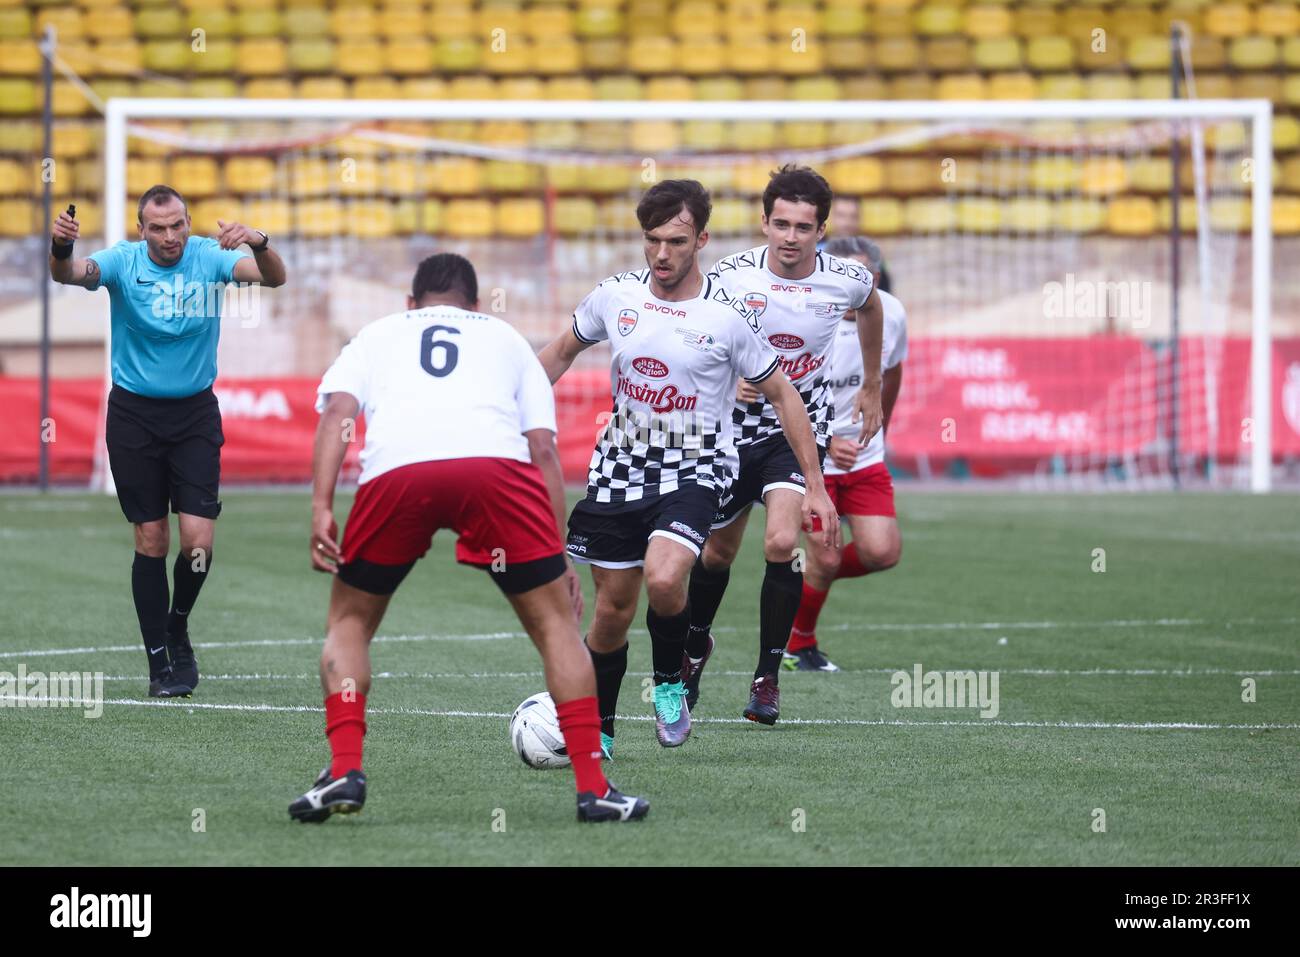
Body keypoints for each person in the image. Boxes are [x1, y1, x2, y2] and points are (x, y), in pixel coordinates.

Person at [295, 252, 647, 824]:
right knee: (556, 624)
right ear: (476, 306)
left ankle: (344, 770)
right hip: (493, 471)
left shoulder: (377, 333)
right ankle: (593, 788)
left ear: (411, 305)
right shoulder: (504, 337)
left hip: (398, 471)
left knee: (351, 621)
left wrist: (319, 506)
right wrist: (558, 554)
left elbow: (338, 411)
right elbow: (542, 448)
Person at [536, 179, 837, 755]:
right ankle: (600, 729)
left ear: (702, 239)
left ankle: (670, 683)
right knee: (611, 613)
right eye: (652, 241)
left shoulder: (726, 318)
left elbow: (785, 395)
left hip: (697, 467)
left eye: (676, 241)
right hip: (619, 468)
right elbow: (559, 354)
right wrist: (506, 405)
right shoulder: (615, 298)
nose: (662, 255)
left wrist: (816, 487)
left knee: (667, 576)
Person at [49, 186, 286, 698]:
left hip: (195, 415)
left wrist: (259, 242)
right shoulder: (123, 263)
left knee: (199, 543)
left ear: (188, 221)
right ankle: (159, 659)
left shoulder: (208, 255)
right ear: (141, 231)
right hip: (134, 416)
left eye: (177, 224)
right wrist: (63, 247)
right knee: (151, 539)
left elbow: (273, 278)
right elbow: (68, 274)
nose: (170, 236)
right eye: (158, 228)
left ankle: (178, 624)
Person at [682, 165, 884, 725]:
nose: (791, 237)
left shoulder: (845, 278)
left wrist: (872, 383)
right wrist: (728, 376)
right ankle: (695, 645)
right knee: (717, 552)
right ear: (764, 222)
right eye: (781, 224)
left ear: (821, 230)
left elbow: (873, 308)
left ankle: (768, 676)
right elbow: (697, 338)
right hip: (732, 425)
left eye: (804, 227)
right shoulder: (727, 277)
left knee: (780, 542)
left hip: (797, 430)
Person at [787, 236, 907, 671]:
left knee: (882, 553)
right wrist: (824, 441)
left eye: (861, 276)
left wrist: (880, 426)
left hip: (865, 458)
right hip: (808, 460)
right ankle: (798, 644)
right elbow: (778, 395)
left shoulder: (890, 313)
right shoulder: (802, 318)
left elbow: (891, 371)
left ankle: (797, 582)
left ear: (873, 278)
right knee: (827, 554)